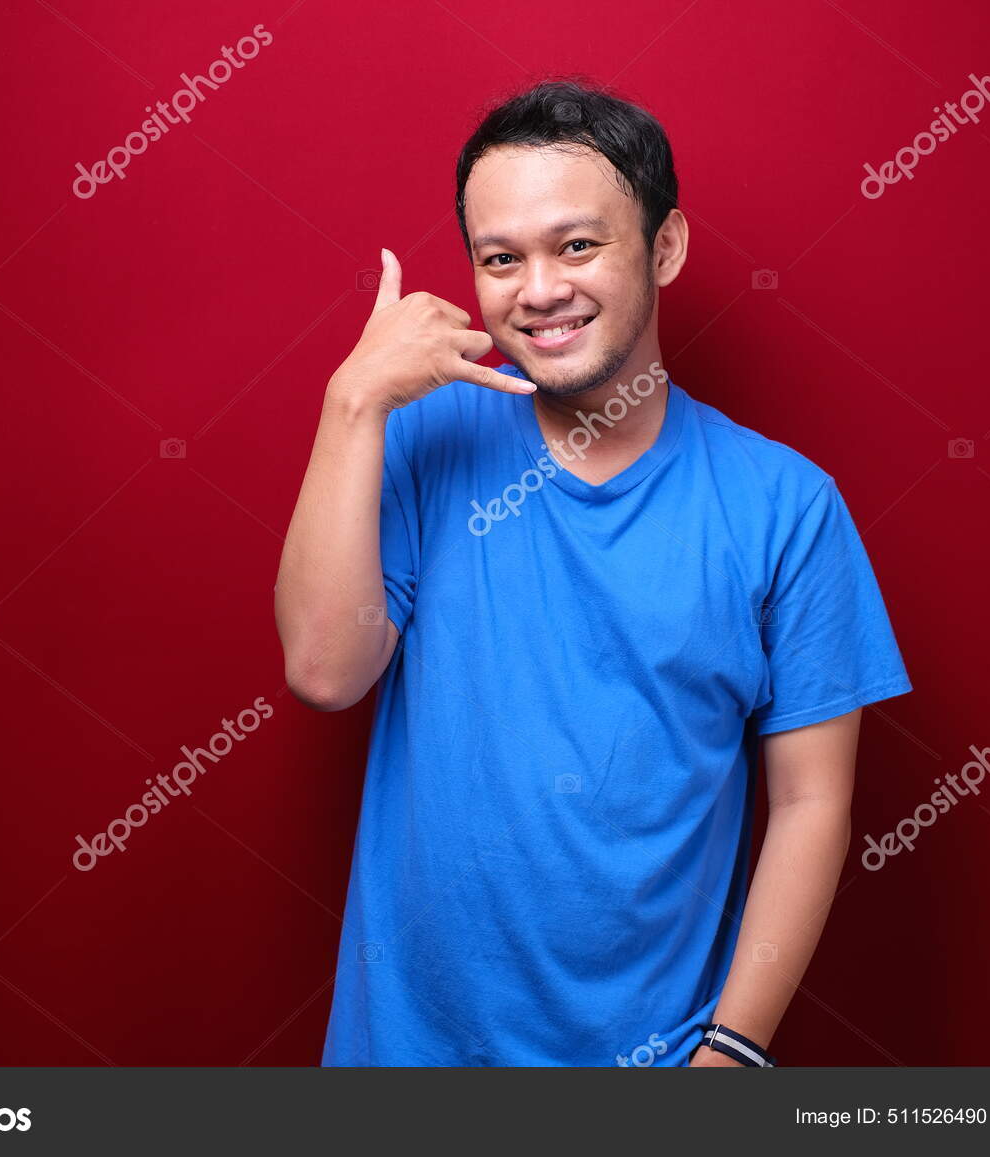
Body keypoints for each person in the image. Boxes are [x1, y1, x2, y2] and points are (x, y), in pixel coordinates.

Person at [274, 78, 912, 1067]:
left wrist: (730, 1054)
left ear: (663, 247)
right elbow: (324, 672)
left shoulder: (786, 507)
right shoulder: (419, 444)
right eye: (500, 258)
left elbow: (810, 804)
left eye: (576, 245)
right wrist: (351, 403)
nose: (538, 290)